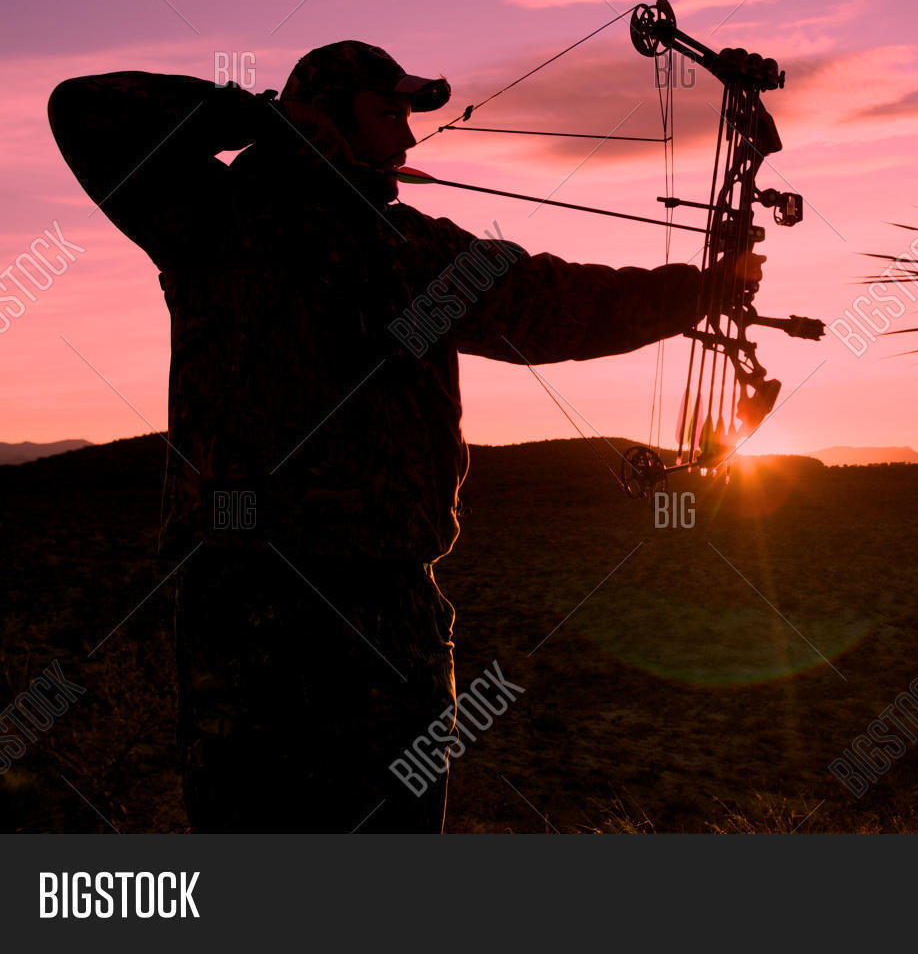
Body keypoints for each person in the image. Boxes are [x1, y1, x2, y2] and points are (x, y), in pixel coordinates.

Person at [48, 40, 750, 832]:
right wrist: (255, 116)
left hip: (393, 605)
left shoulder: (415, 251)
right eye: (389, 114)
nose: (409, 140)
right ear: (323, 115)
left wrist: (699, 291)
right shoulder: (216, 219)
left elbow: (550, 302)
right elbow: (84, 112)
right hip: (252, 600)